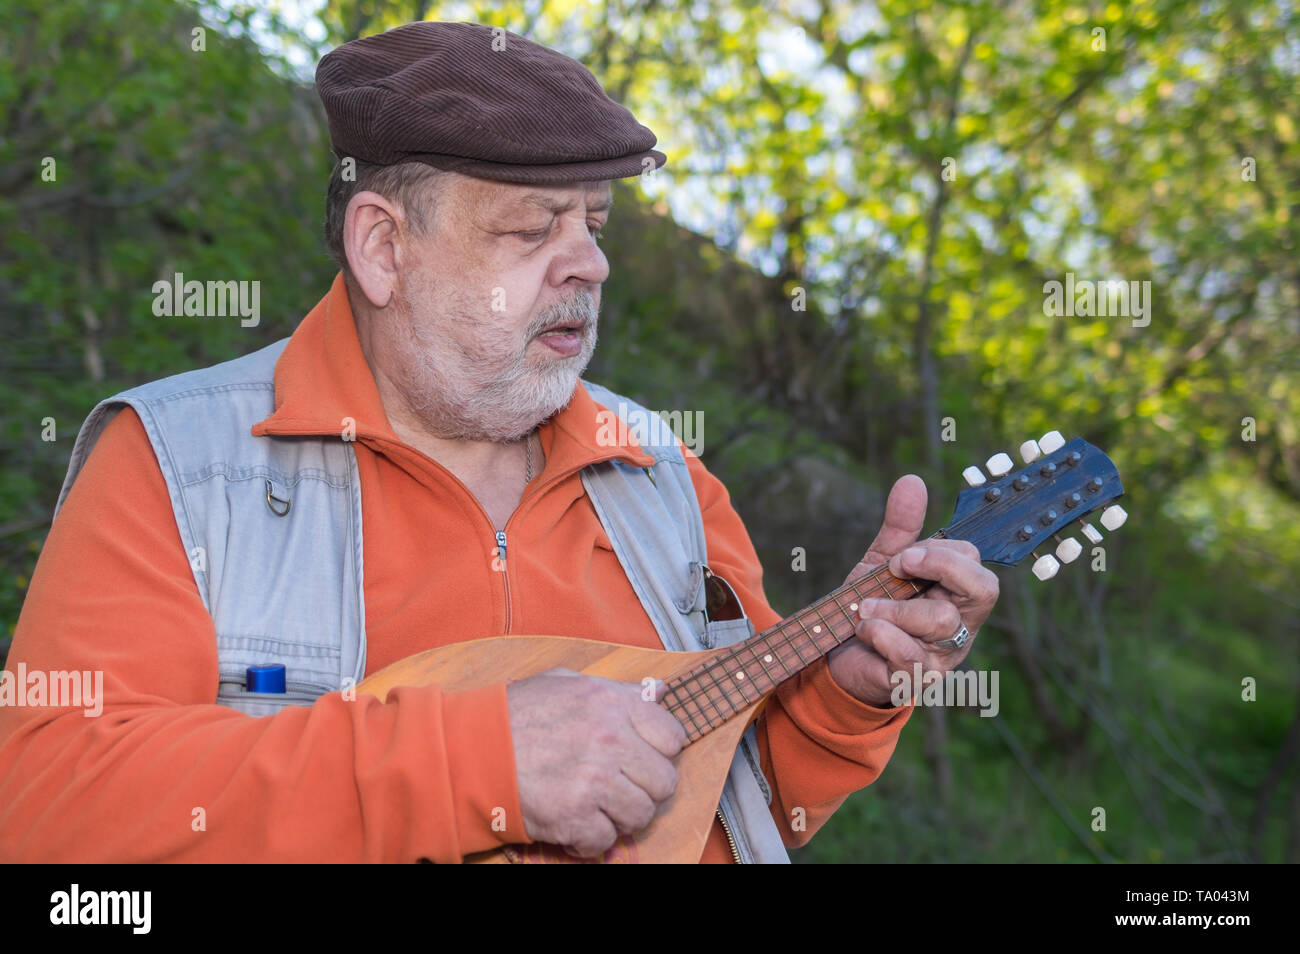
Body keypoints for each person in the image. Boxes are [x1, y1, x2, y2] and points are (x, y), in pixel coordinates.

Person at [0, 20, 998, 863]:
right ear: (384, 248)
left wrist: (840, 700)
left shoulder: (663, 480)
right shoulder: (180, 463)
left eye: (595, 223)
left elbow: (743, 802)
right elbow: (45, 806)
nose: (592, 263)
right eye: (533, 231)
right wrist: (473, 762)